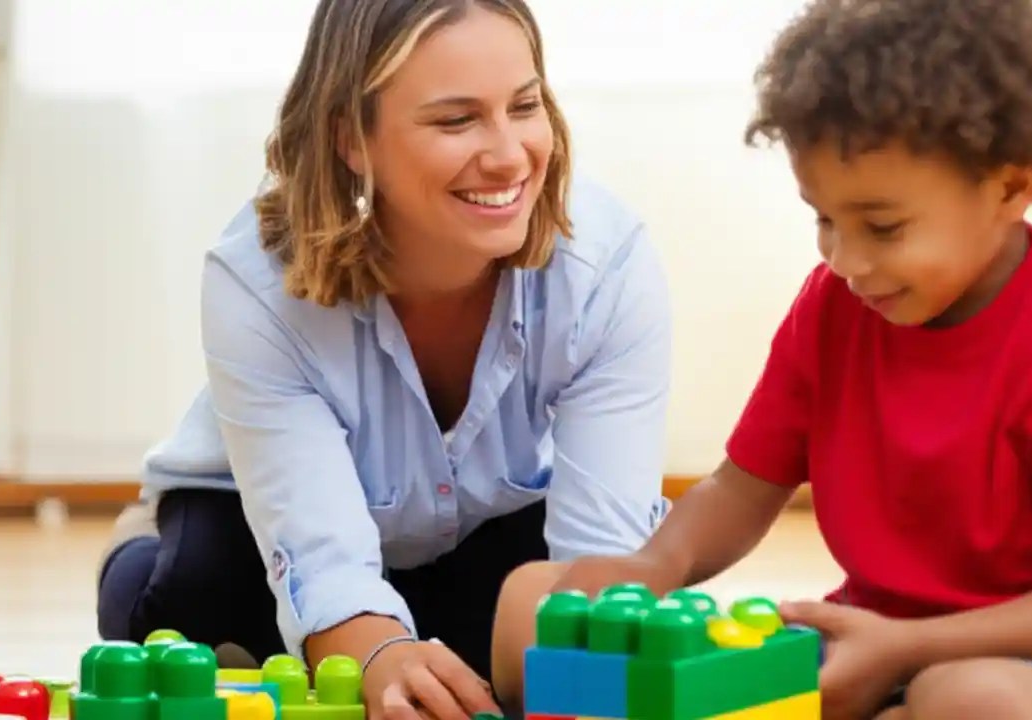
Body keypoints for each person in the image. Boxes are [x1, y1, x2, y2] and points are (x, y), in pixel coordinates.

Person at [490, 1, 1032, 719]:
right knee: (531, 605)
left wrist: (910, 649)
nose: (846, 261)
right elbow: (741, 487)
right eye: (825, 219)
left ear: (1010, 186)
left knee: (969, 698)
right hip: (860, 641)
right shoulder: (836, 305)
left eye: (883, 227)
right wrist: (654, 566)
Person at [95, 2, 673, 719]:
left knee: (489, 649)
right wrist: (376, 654)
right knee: (189, 618)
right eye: (455, 120)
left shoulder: (605, 264)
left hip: (485, 517)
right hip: (251, 518)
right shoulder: (253, 280)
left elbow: (603, 565)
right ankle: (137, 540)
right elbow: (324, 560)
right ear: (351, 139)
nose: (507, 154)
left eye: (524, 107)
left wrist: (585, 677)